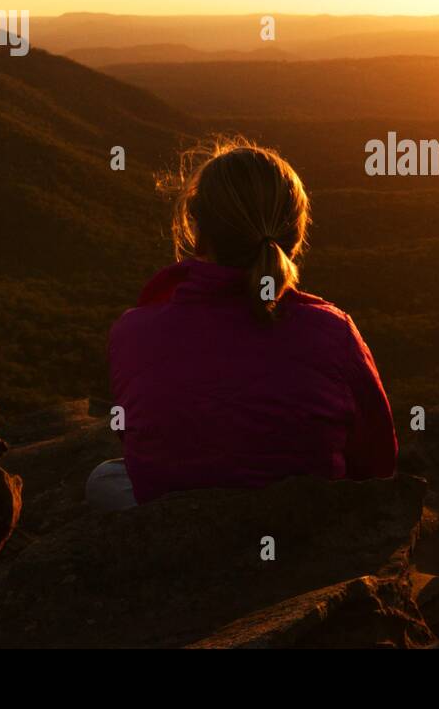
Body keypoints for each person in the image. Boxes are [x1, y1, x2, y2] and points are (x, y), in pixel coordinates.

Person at [86, 137, 397, 511]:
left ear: (197, 230)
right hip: (298, 525)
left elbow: (140, 441)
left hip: (178, 523)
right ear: (294, 235)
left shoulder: (132, 332)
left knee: (105, 478)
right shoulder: (333, 332)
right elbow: (378, 461)